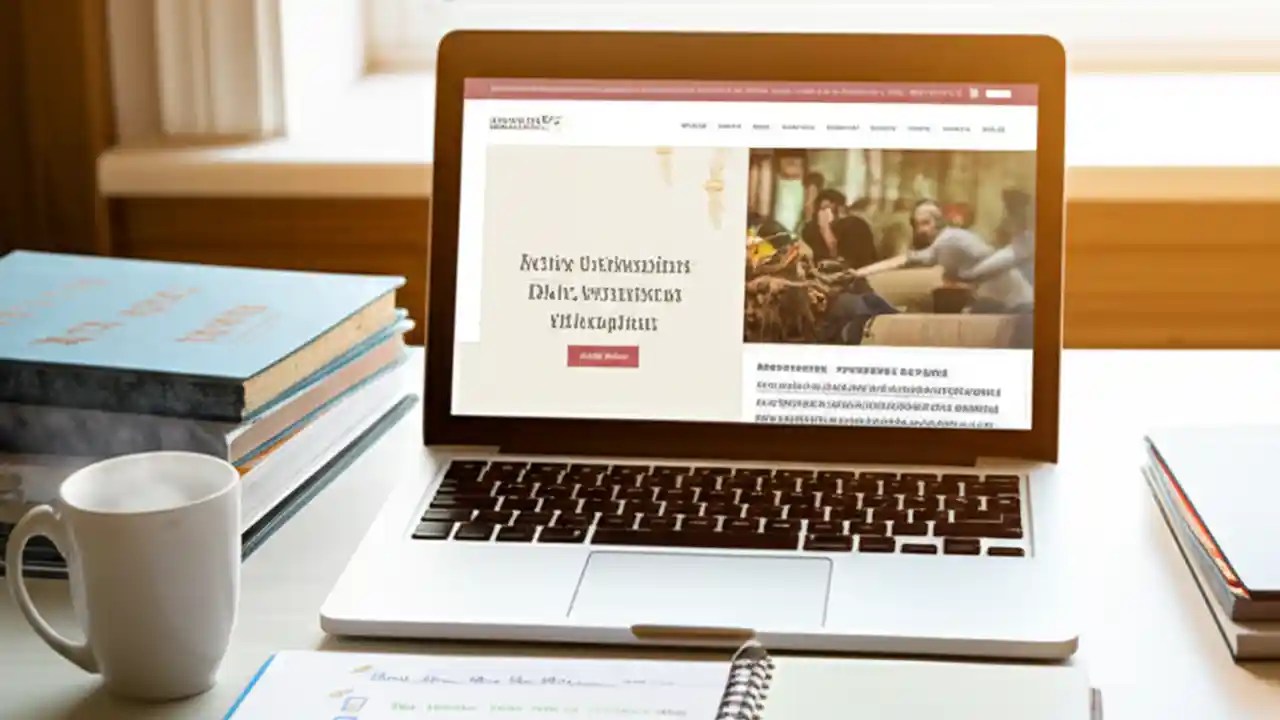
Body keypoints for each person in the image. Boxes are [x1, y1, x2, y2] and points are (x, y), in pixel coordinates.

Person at [853, 198, 1033, 313]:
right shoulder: (943, 242)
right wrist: (859, 273)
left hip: (1013, 303)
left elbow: (966, 278)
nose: (921, 230)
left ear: (938, 222)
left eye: (926, 223)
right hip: (1002, 302)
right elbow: (904, 260)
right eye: (917, 224)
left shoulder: (951, 240)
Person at [801, 189, 879, 270]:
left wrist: (825, 229)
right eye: (822, 209)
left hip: (858, 272)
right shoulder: (811, 229)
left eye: (827, 209)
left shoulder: (854, 225)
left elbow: (847, 263)